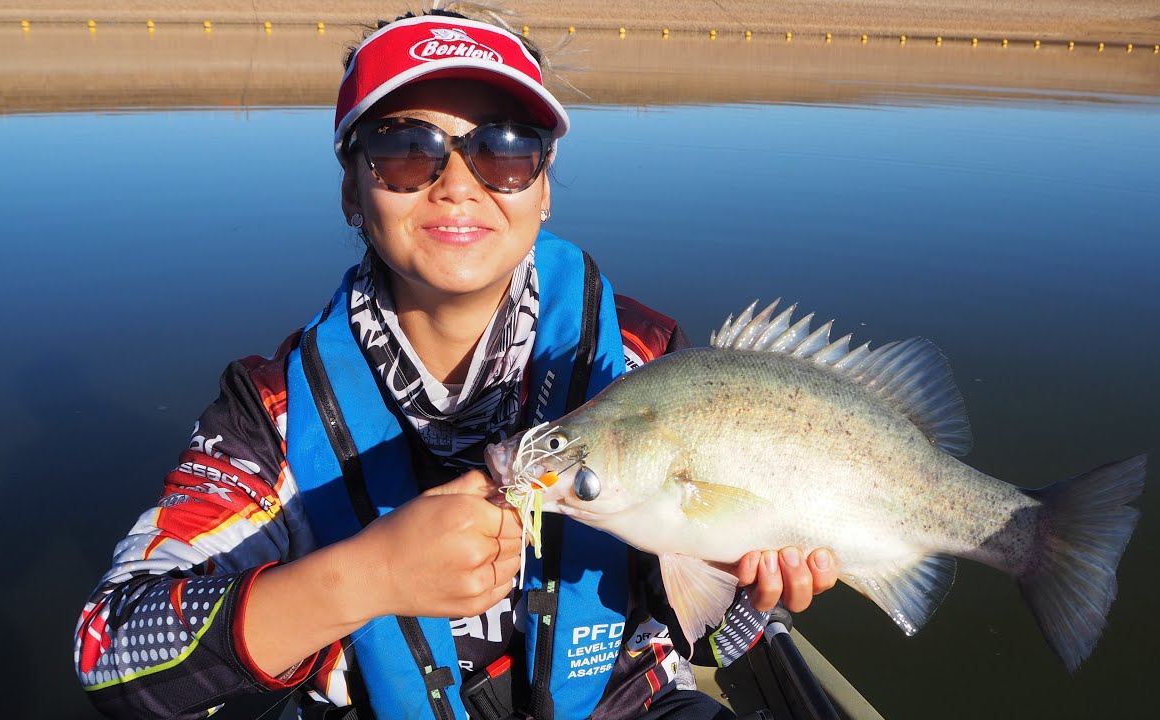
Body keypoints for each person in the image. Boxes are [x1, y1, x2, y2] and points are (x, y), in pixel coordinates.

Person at [73, 5, 838, 719]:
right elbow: (108, 652)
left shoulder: (639, 362)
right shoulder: (273, 415)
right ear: (351, 190)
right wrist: (363, 576)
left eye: (505, 149)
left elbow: (704, 636)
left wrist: (756, 593)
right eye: (407, 149)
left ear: (543, 190)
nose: (459, 184)